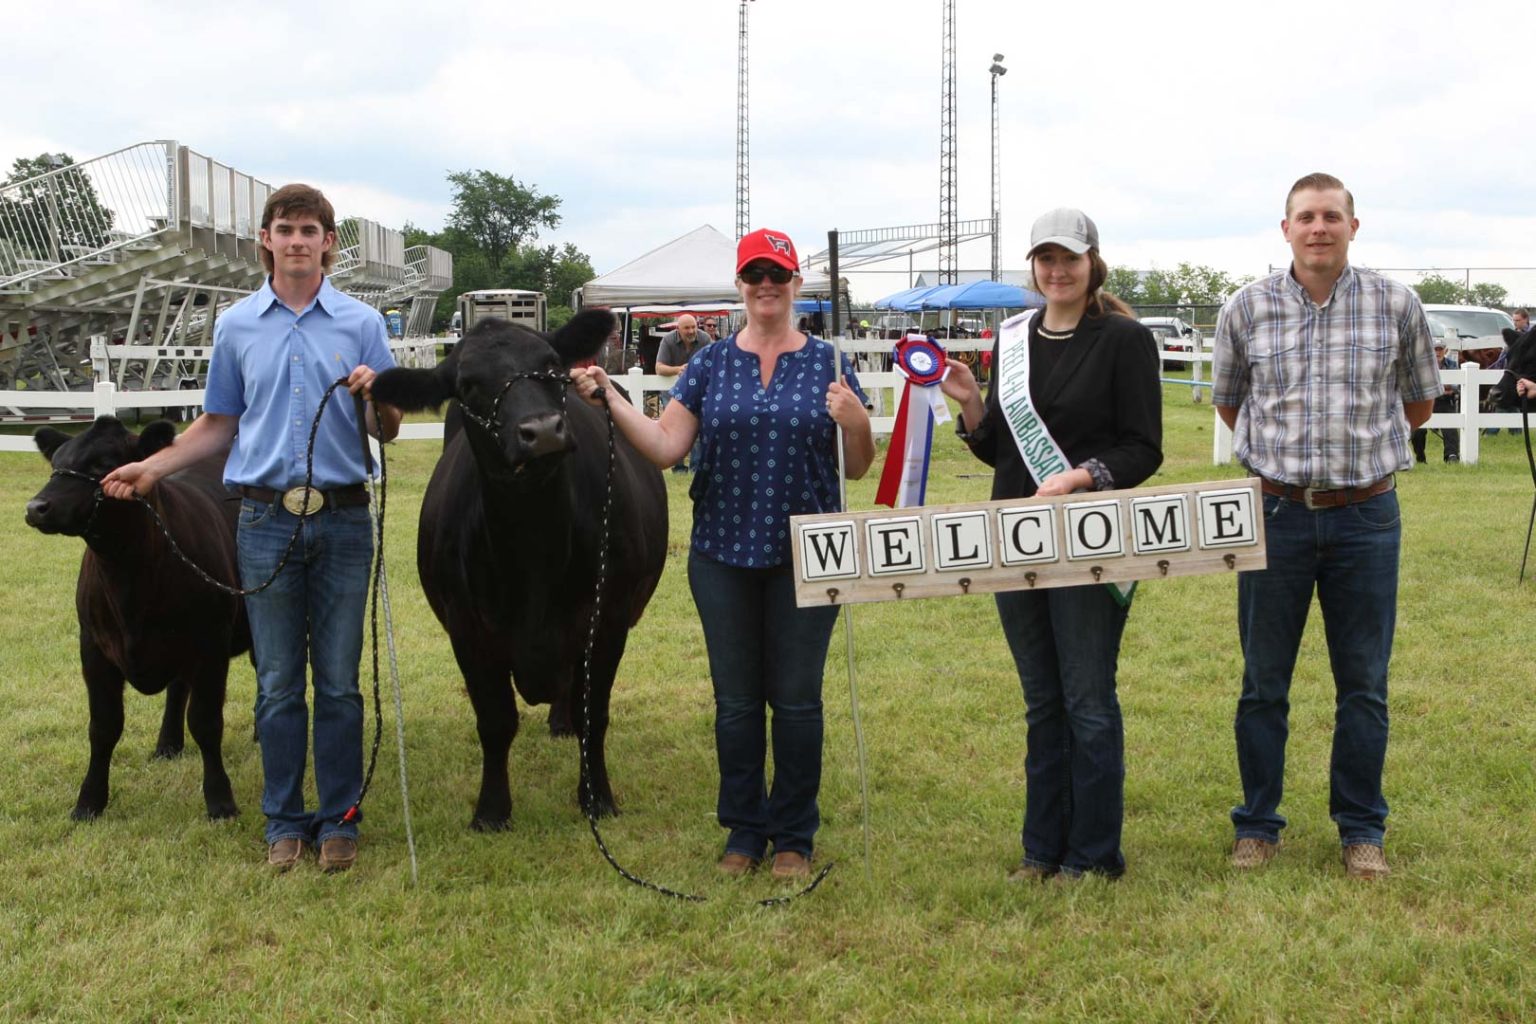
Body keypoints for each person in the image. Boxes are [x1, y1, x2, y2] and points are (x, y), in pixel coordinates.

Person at [102, 184, 402, 874]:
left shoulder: (362, 323)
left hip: (344, 519)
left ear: (330, 242)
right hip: (263, 519)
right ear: (264, 240)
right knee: (274, 682)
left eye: (311, 230)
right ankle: (283, 822)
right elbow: (218, 424)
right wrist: (153, 468)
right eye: (285, 229)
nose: (298, 241)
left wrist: (372, 397)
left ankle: (340, 822)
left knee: (338, 681)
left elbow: (385, 429)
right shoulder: (237, 326)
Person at [573, 228, 873, 881]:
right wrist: (611, 397)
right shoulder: (709, 364)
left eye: (778, 274)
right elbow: (664, 446)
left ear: (796, 283)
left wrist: (853, 419)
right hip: (722, 554)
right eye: (754, 275)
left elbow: (857, 465)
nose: (767, 286)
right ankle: (743, 830)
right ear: (740, 285)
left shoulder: (828, 362)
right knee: (736, 702)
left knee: (796, 701)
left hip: (807, 555)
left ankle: (794, 834)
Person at [1212, 172, 1441, 880]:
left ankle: (1361, 830)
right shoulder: (1246, 309)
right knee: (1263, 682)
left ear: (1352, 225)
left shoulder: (1396, 304)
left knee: (1364, 683)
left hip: (1366, 517)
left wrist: (1353, 462)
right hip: (1275, 515)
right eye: (1305, 217)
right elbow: (1230, 405)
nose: (1319, 227)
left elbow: (1420, 403)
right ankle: (1258, 826)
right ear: (1286, 229)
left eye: (1331, 216)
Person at [939, 208, 1163, 881]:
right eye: (1045, 259)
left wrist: (1083, 477)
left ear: (1093, 262)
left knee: (1088, 702)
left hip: (1088, 540)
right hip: (1015, 538)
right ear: (1033, 268)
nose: (1057, 271)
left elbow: (1143, 447)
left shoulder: (1124, 340)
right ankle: (1041, 851)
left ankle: (1094, 856)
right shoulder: (1013, 340)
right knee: (1042, 702)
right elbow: (1003, 454)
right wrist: (972, 405)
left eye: (1069, 258)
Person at [655, 314, 708, 472]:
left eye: (694, 327)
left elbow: (713, 363)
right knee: (673, 429)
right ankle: (677, 468)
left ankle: (695, 467)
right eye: (687, 328)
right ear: (678, 329)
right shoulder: (668, 340)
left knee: (697, 428)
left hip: (697, 391)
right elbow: (659, 368)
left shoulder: (705, 339)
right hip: (671, 391)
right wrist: (679, 369)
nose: (692, 331)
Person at [1411, 339, 1460, 464]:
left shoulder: (1452, 364)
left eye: (1440, 349)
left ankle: (1451, 456)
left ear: (1445, 351)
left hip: (1445, 402)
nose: (1437, 352)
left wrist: (1443, 388)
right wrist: (1443, 388)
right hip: (1426, 401)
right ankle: (1420, 456)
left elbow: (1456, 386)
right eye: (1435, 349)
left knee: (1450, 427)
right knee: (1418, 430)